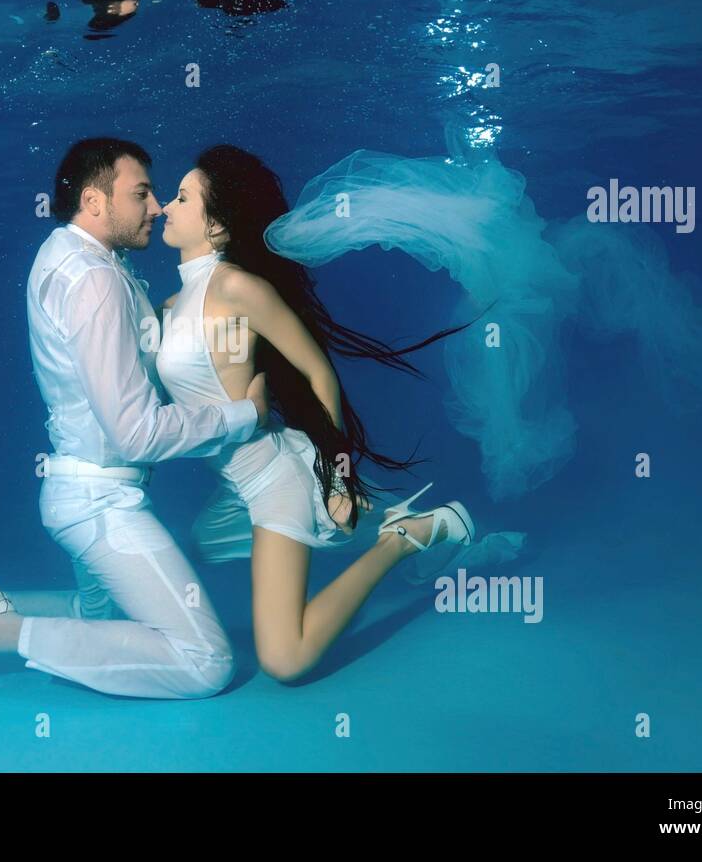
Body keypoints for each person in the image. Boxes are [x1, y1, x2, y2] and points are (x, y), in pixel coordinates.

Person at [0, 138, 270, 700]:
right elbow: (136, 432)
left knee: (89, 612)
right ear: (95, 201)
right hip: (101, 506)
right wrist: (242, 415)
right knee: (206, 663)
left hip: (77, 487)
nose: (156, 207)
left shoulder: (70, 255)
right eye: (142, 193)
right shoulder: (96, 279)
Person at [151, 144, 485, 683]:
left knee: (286, 661)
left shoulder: (238, 288)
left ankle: (409, 537)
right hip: (233, 482)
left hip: (271, 481)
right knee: (202, 547)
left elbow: (318, 373)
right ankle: (382, 518)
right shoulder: (172, 305)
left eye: (182, 197)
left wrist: (338, 477)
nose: (166, 205)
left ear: (217, 228)